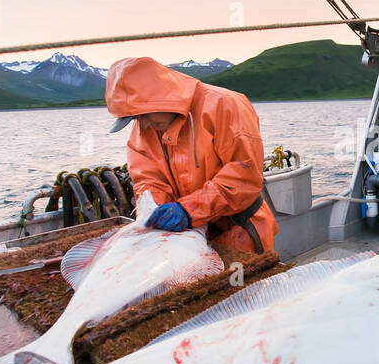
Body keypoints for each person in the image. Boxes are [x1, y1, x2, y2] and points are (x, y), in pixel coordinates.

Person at [105, 56, 277, 256]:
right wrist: (153, 209)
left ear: (160, 99)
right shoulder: (145, 128)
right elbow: (148, 179)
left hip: (238, 230)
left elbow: (244, 176)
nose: (142, 124)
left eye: (143, 114)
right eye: (135, 117)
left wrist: (189, 210)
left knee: (245, 276)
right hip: (186, 236)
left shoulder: (226, 105)